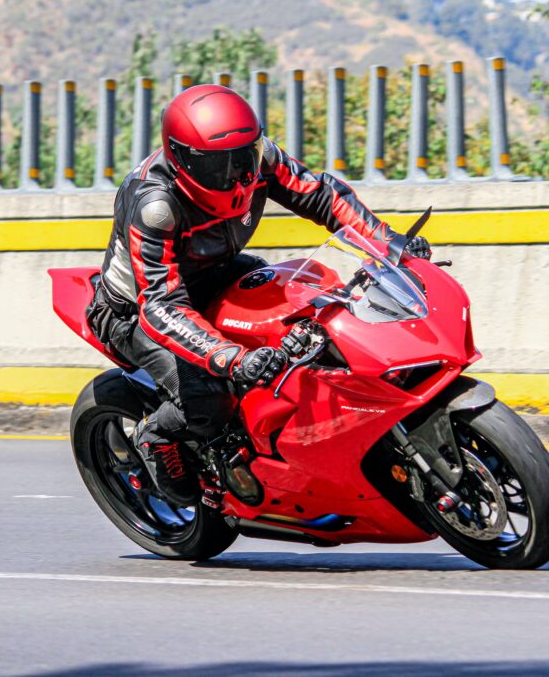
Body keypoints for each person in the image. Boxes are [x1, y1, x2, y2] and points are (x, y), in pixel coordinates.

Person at [87, 84, 432, 505]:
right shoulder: (155, 205)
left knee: (311, 313)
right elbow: (160, 305)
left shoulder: (262, 158)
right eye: (218, 166)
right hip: (133, 311)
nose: (238, 175)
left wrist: (387, 243)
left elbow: (323, 196)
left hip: (215, 273)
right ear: (182, 160)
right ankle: (156, 435)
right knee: (210, 397)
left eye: (243, 158)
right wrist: (231, 358)